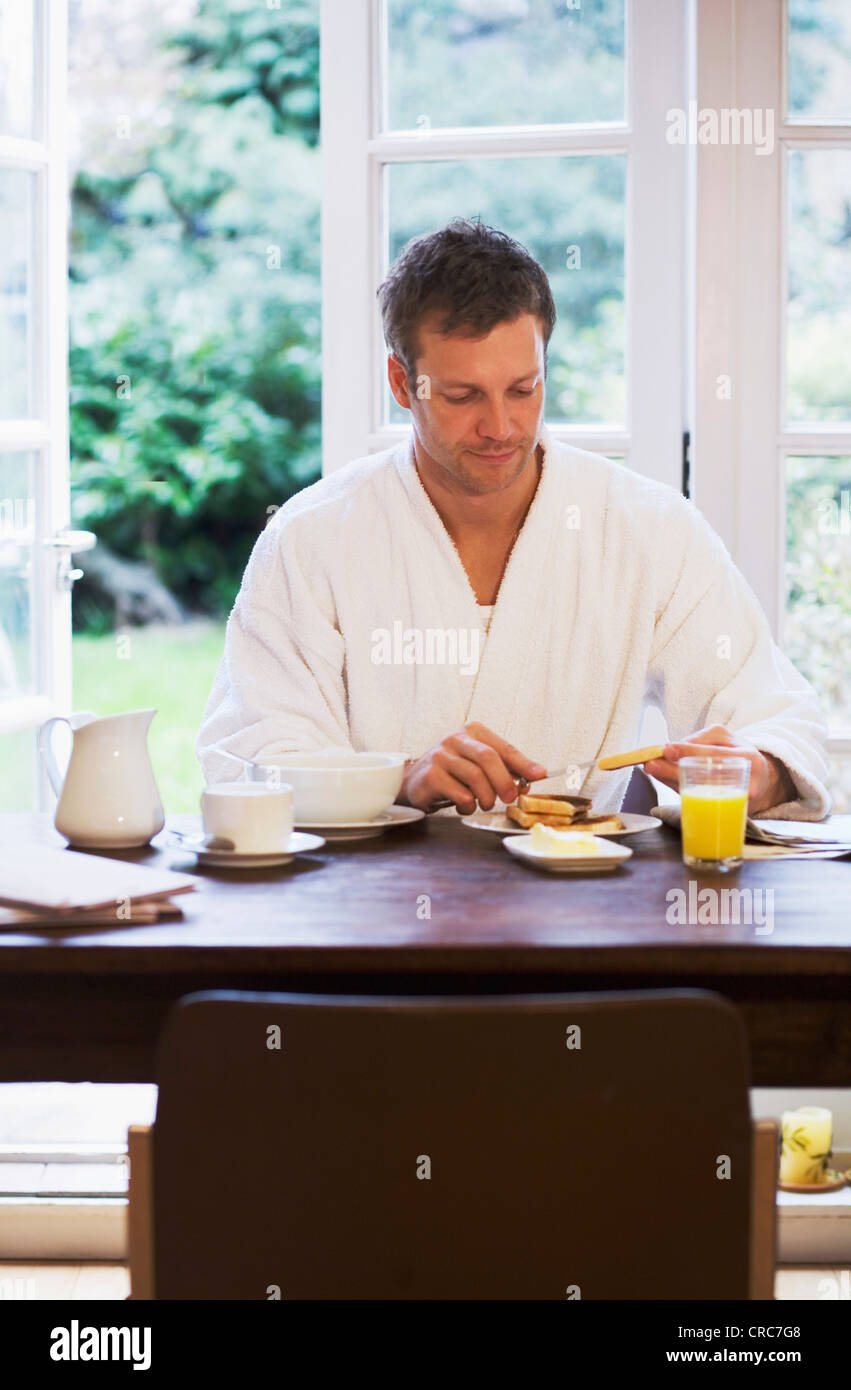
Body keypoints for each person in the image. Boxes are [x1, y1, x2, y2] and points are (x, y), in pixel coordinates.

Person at [195, 218, 831, 820]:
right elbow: (251, 759)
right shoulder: (311, 540)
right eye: (462, 395)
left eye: (523, 389)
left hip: (580, 909)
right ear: (401, 381)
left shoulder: (647, 529)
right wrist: (401, 781)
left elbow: (773, 712)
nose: (500, 427)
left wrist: (761, 770)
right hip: (372, 915)